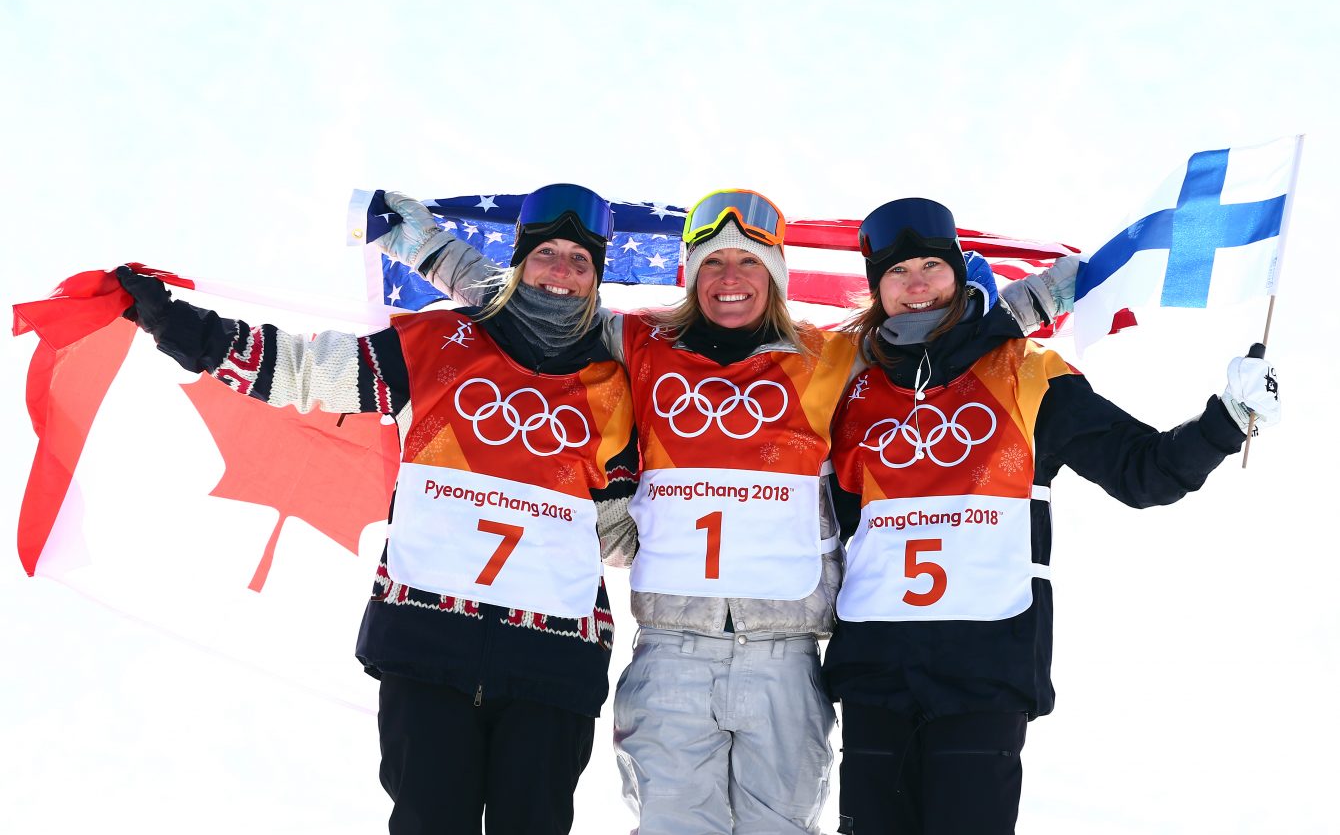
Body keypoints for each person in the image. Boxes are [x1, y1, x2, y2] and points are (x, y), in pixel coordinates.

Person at [376, 187, 1072, 834]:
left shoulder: (829, 357)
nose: (729, 276)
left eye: (749, 261)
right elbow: (547, 306)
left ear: (775, 275)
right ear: (691, 275)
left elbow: (938, 334)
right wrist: (436, 253)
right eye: (713, 262)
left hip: (784, 657)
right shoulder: (645, 346)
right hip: (675, 654)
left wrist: (1053, 293)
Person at [115, 183, 639, 835]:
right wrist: (180, 327)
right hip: (426, 644)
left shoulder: (619, 384)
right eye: (546, 254)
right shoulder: (437, 343)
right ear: (520, 259)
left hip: (554, 666)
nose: (560, 270)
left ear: (596, 278)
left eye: (579, 260)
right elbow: (302, 371)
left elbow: (621, 535)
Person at [823, 197, 1282, 835]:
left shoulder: (1029, 374)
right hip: (876, 669)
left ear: (959, 272)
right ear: (876, 289)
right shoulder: (849, 390)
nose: (918, 284)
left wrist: (1226, 420)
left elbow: (1141, 470)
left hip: (982, 672)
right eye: (898, 273)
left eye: (932, 264)